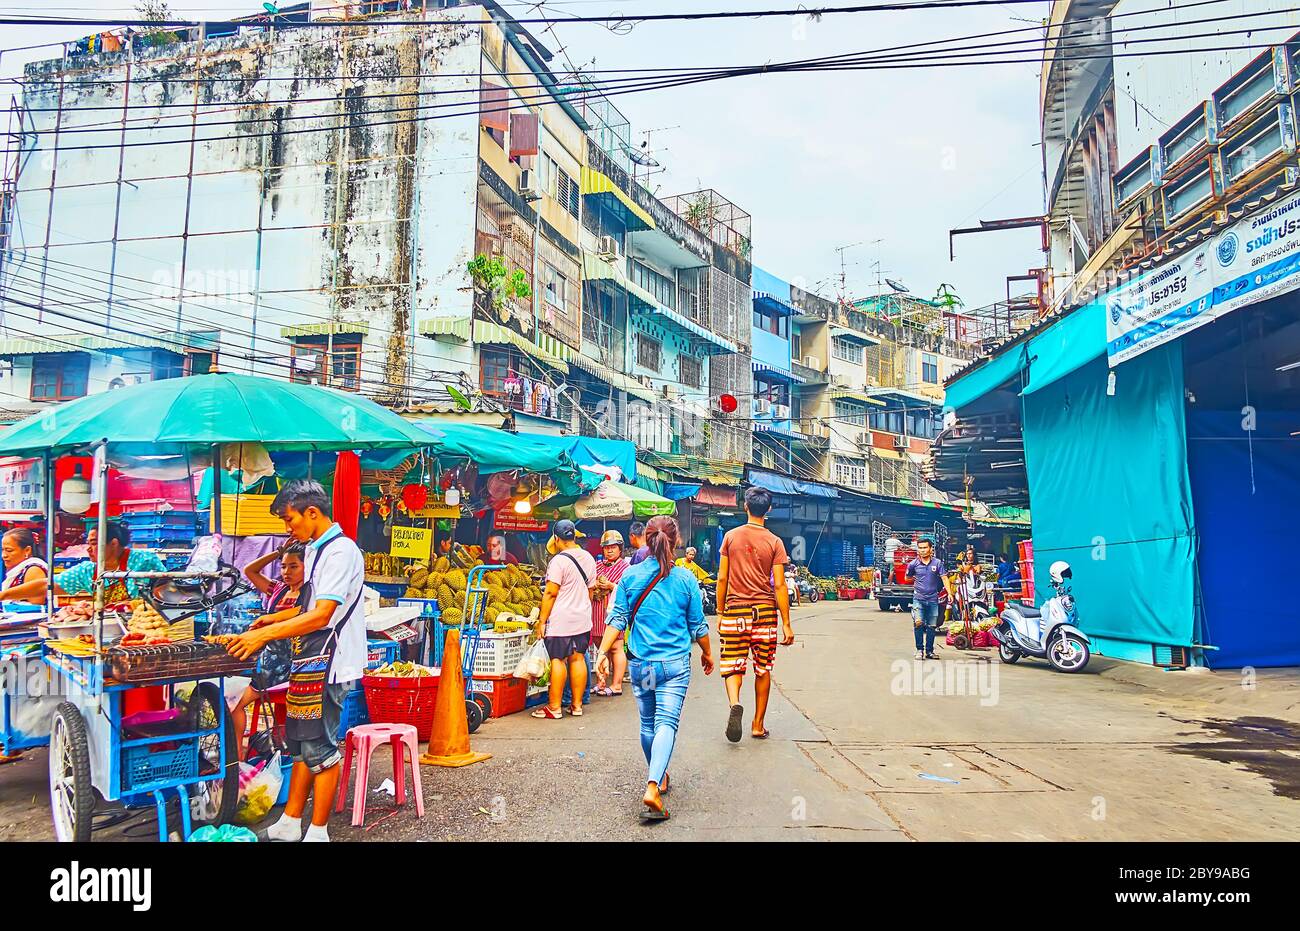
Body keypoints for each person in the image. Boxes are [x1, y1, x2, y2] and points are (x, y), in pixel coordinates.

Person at [223, 480, 366, 843]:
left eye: (290, 519)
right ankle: (290, 820)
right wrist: (273, 619)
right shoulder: (315, 549)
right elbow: (308, 607)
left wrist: (263, 636)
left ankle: (318, 832)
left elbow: (323, 615)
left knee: (321, 748)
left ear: (312, 513)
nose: (288, 528)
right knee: (301, 746)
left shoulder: (340, 552)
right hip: (309, 659)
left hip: (331, 662)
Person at [596, 515, 713, 820]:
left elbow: (617, 619)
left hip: (643, 666)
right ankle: (652, 785)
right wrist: (708, 654)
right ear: (675, 542)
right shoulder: (686, 579)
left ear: (645, 540)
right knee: (666, 723)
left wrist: (601, 652)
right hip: (674, 666)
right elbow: (698, 626)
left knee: (648, 722)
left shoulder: (630, 576)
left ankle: (659, 776)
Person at [715, 486, 793, 743]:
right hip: (765, 613)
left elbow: (723, 577)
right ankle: (758, 725)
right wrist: (787, 624)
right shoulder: (775, 542)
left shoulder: (731, 537)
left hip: (735, 610)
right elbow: (780, 585)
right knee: (763, 668)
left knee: (732, 665)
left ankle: (735, 703)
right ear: (768, 509)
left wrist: (719, 611)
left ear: (745, 506)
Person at [228, 540, 307, 760]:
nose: (286, 572)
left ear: (306, 567)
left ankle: (241, 758)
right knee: (232, 702)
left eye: (293, 566)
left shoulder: (310, 595)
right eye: (283, 566)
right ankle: (237, 755)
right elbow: (249, 570)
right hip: (267, 659)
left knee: (236, 703)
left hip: (291, 663)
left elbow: (301, 614)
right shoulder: (278, 589)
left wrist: (270, 620)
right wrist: (276, 553)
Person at [531, 519, 596, 719]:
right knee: (578, 658)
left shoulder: (558, 561)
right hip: (582, 617)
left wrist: (542, 621)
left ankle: (555, 707)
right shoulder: (588, 558)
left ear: (557, 539)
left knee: (558, 660)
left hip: (561, 619)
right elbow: (591, 591)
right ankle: (576, 706)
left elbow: (550, 593)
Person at [25, 522, 166, 604]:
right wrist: (4, 595)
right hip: (106, 629)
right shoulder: (88, 570)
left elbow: (168, 591)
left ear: (114, 544)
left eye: (93, 543)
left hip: (144, 628)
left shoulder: (144, 561)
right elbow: (47, 584)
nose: (88, 549)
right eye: (88, 543)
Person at [590, 530, 630, 696]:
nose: (609, 550)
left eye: (613, 547)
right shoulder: (597, 566)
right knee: (601, 647)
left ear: (620, 548)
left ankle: (616, 684)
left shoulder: (626, 568)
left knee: (616, 647)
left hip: (614, 612)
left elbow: (627, 590)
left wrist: (611, 586)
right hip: (597, 612)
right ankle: (601, 682)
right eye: (606, 547)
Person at [906, 536, 953, 661]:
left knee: (932, 626)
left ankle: (930, 651)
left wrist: (950, 593)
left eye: (925, 547)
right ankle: (919, 650)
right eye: (920, 548)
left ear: (931, 549)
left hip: (933, 599)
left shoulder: (937, 563)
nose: (922, 550)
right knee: (918, 623)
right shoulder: (913, 564)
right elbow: (907, 578)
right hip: (918, 599)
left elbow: (944, 578)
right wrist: (915, 580)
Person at [0, 528, 48, 605]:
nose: (4, 555)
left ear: (27, 550)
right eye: (2, 550)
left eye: (9, 550)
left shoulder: (34, 570)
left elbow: (36, 607)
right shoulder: (21, 569)